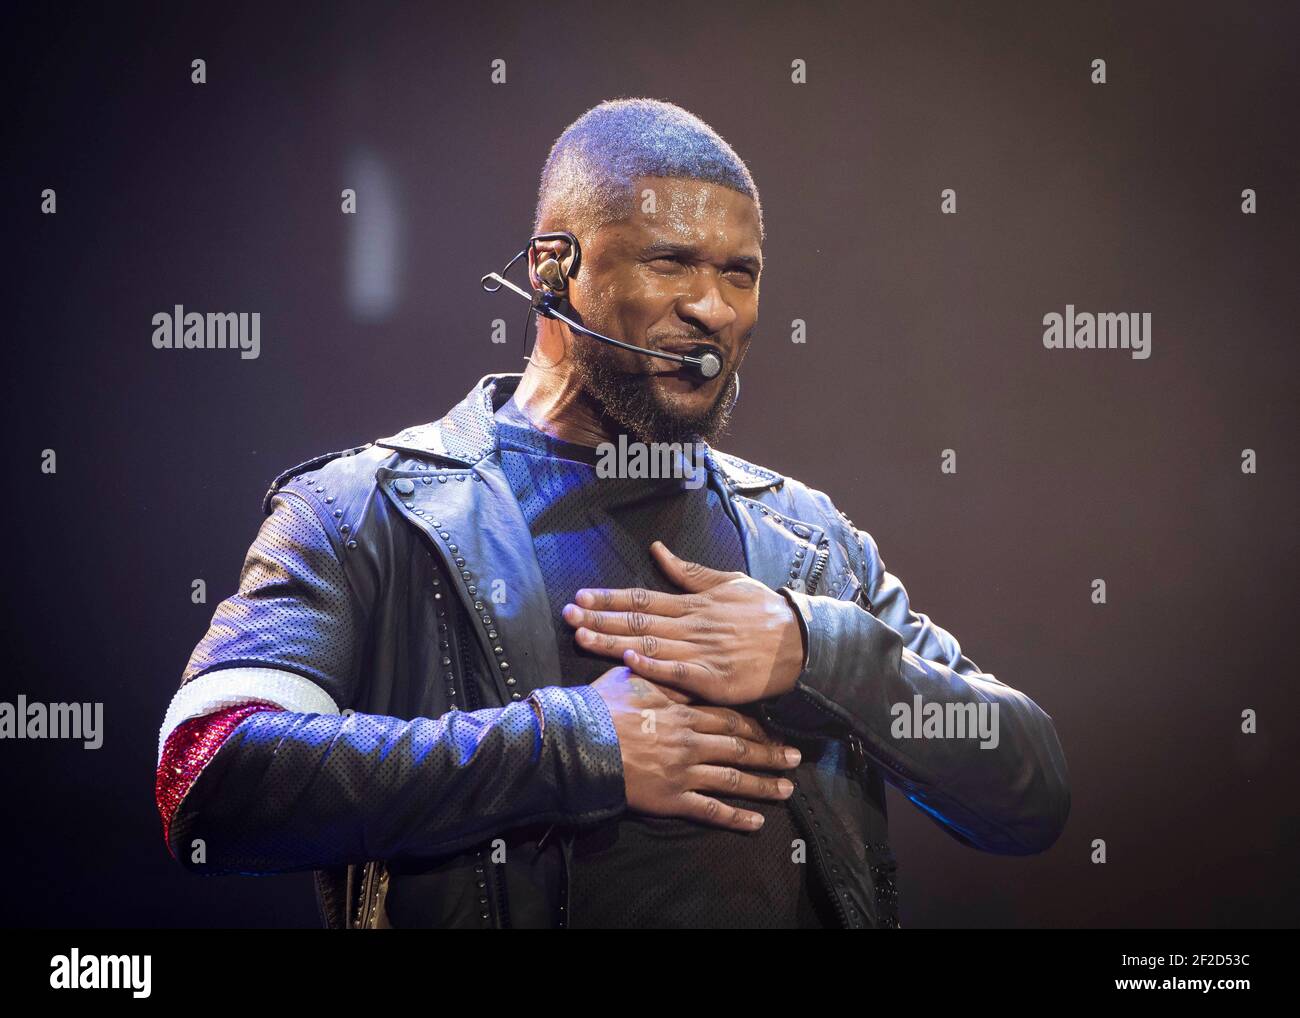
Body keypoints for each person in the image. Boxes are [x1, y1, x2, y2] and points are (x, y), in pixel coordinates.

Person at [155, 98, 1070, 929]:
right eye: (671, 261)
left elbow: (1029, 791)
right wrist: (576, 747)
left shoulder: (810, 544)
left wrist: (817, 651)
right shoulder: (367, 511)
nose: (712, 308)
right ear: (555, 269)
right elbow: (207, 775)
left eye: (740, 274)